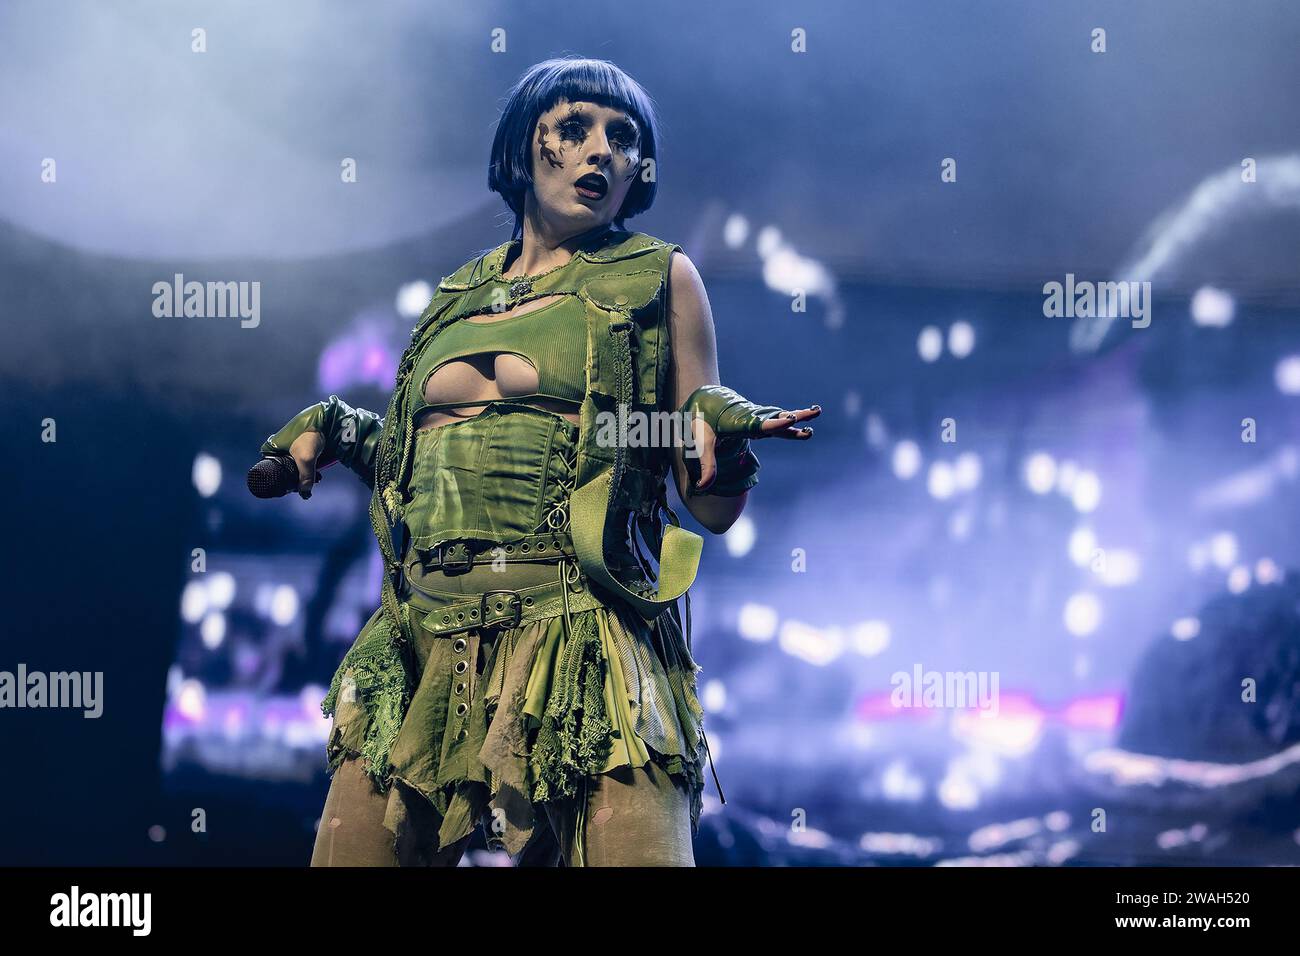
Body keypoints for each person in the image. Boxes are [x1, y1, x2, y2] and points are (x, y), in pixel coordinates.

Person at [259, 56, 820, 866]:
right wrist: (340, 430)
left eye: (622, 139)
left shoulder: (658, 277)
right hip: (423, 643)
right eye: (575, 129)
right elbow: (419, 470)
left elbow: (699, 495)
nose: (602, 153)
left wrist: (715, 445)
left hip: (584, 637)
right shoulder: (451, 300)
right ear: (524, 151)